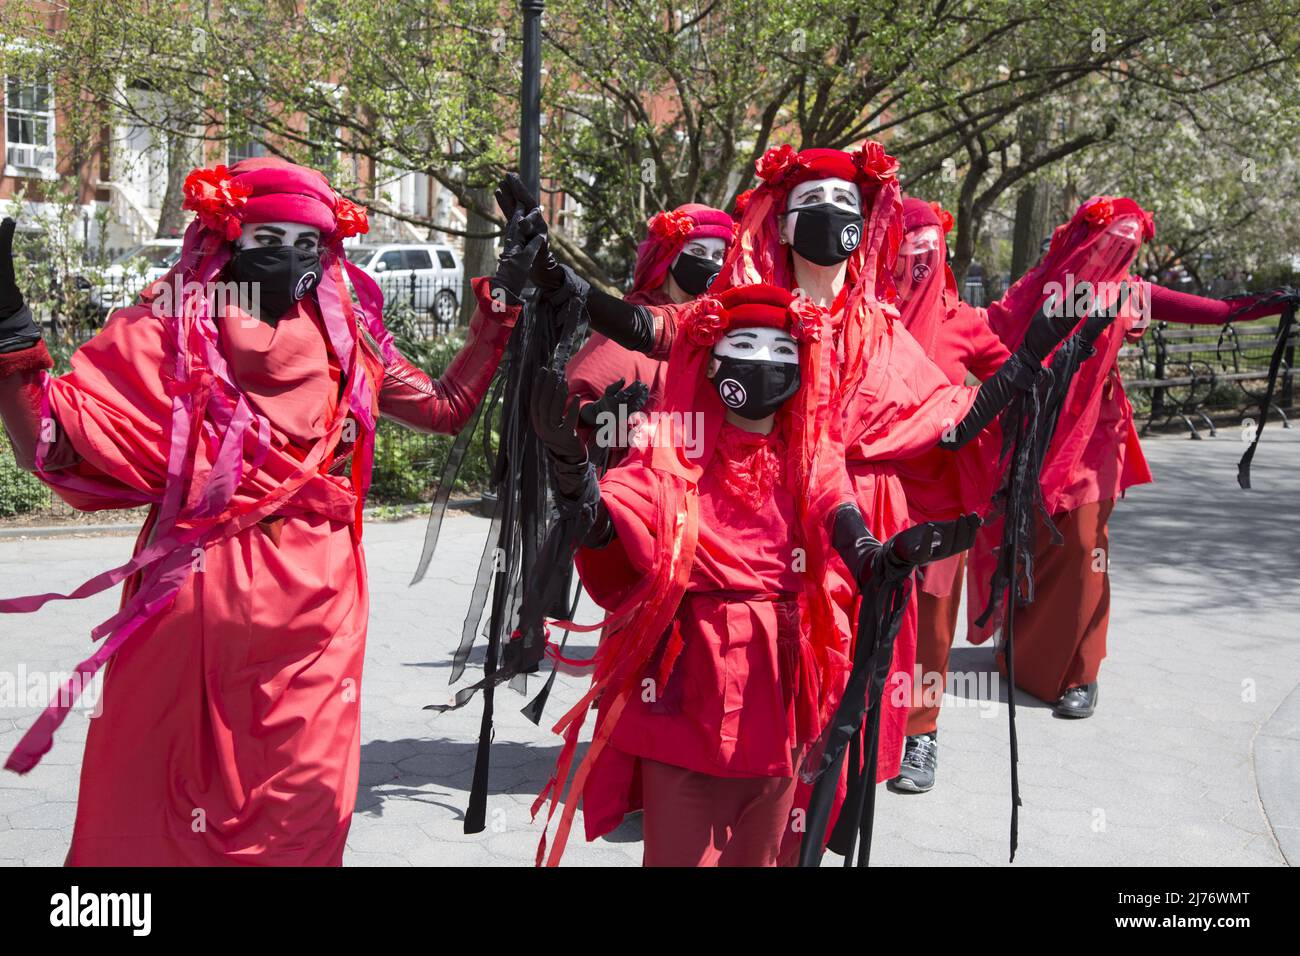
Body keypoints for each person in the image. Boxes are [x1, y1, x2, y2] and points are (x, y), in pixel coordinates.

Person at [520, 140, 1098, 861]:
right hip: (728, 516)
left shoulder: (879, 329)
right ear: (781, 220)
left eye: (843, 205)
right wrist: (566, 287)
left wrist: (1027, 365)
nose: (828, 219)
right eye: (810, 204)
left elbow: (951, 422)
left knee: (817, 742)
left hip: (843, 534)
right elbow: (652, 327)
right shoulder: (739, 307)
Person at [0, 158, 541, 865]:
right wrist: (10, 332)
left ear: (328, 251)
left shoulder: (346, 341)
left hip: (304, 622)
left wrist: (502, 299)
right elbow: (56, 440)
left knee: (279, 812)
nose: (288, 258)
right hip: (206, 608)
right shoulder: (175, 337)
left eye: (305, 243)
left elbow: (443, 407)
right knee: (193, 810)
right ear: (225, 244)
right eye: (267, 240)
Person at [527, 282, 979, 866]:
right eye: (744, 345)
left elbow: (832, 503)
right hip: (688, 678)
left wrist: (875, 557)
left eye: (780, 349)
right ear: (712, 360)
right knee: (679, 853)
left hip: (781, 683)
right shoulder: (674, 445)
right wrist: (574, 480)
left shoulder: (811, 449)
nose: (762, 361)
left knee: (769, 852)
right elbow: (625, 518)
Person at [964, 195, 1290, 720]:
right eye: (1111, 239)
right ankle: (1023, 655)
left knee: (1088, 546)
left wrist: (1281, 300)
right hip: (1035, 432)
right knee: (1035, 537)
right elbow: (983, 333)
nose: (1120, 251)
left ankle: (1081, 673)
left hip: (1097, 436)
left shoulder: (1132, 293)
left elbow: (1221, 311)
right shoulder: (1037, 288)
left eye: (1130, 244)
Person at [887, 197, 1011, 793]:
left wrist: (968, 415)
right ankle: (864, 728)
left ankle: (920, 734)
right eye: (905, 247)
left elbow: (1009, 382)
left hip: (940, 503)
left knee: (932, 627)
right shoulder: (867, 314)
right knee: (868, 615)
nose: (915, 260)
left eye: (927, 250)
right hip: (871, 493)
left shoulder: (965, 321)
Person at [565, 203, 733, 467]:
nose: (710, 263)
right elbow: (572, 406)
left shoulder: (722, 331)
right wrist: (602, 416)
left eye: (718, 255)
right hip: (637, 484)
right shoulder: (634, 324)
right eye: (698, 252)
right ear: (668, 256)